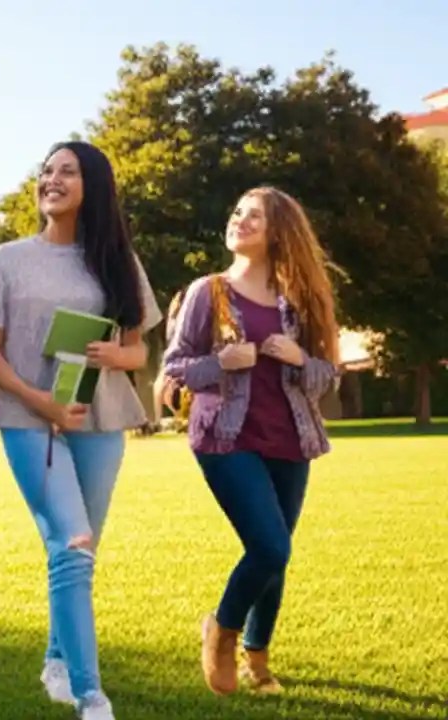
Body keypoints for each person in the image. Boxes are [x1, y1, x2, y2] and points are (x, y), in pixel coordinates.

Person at [0, 141, 161, 720]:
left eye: (66, 171)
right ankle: (91, 696)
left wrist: (110, 353)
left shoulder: (118, 261)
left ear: (92, 187)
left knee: (80, 551)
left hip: (101, 420)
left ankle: (56, 659)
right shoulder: (7, 259)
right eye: (46, 170)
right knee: (72, 545)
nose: (51, 179)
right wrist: (38, 402)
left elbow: (138, 352)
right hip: (31, 421)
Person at [162, 187, 339, 697]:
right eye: (237, 211)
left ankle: (258, 659)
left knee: (275, 554)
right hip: (225, 437)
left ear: (278, 232)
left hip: (291, 438)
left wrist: (301, 360)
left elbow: (329, 374)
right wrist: (222, 363)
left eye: (254, 217)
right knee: (269, 544)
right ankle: (221, 631)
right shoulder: (207, 292)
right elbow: (174, 368)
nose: (239, 220)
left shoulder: (301, 301)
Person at [150, 291, 186, 429]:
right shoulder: (181, 315)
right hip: (177, 352)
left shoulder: (173, 314)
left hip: (171, 351)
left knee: (162, 383)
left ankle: (159, 418)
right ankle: (172, 417)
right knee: (167, 383)